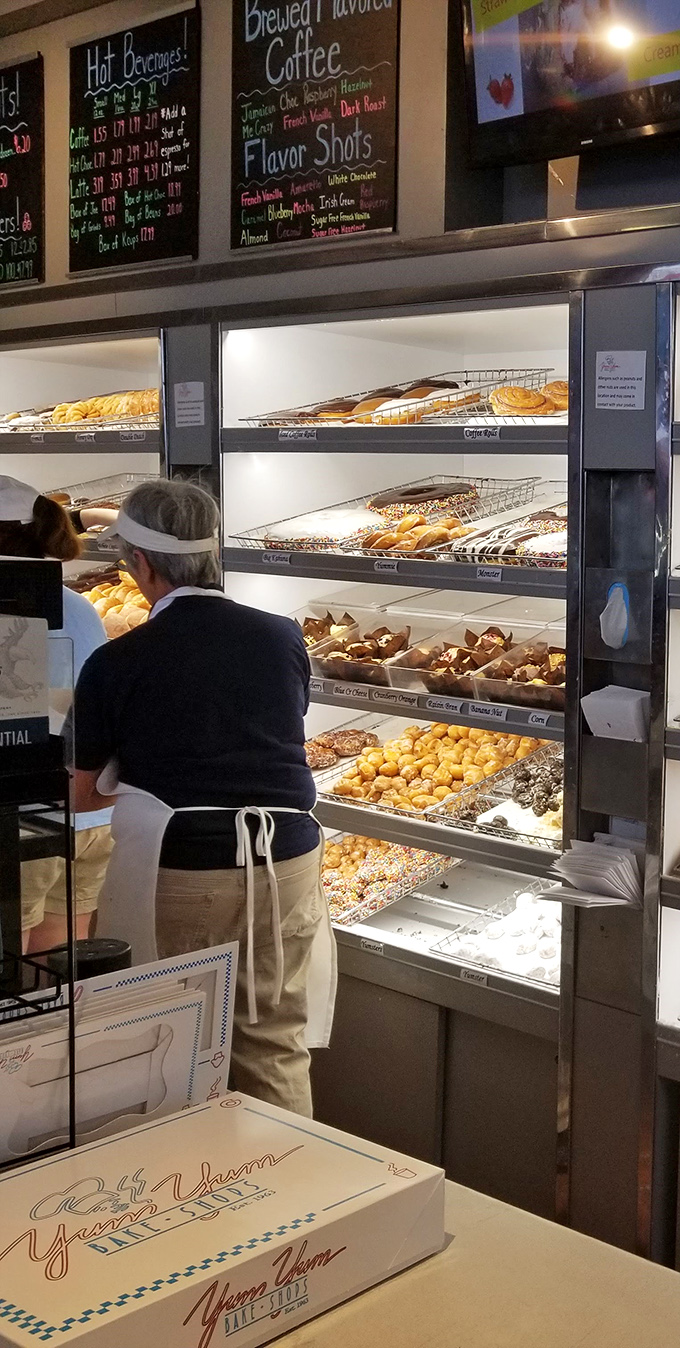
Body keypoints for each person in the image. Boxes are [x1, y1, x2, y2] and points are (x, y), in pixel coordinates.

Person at [72, 478, 335, 1118]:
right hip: (288, 859)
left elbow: (80, 795)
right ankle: (293, 1193)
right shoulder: (282, 637)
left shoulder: (117, 661)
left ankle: (203, 1193)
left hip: (186, 868)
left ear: (139, 564)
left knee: (175, 1044)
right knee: (273, 1043)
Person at [0, 476, 113, 953]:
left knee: (13, 972)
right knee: (62, 968)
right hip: (86, 815)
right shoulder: (80, 607)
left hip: (22, 821)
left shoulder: (11, 608)